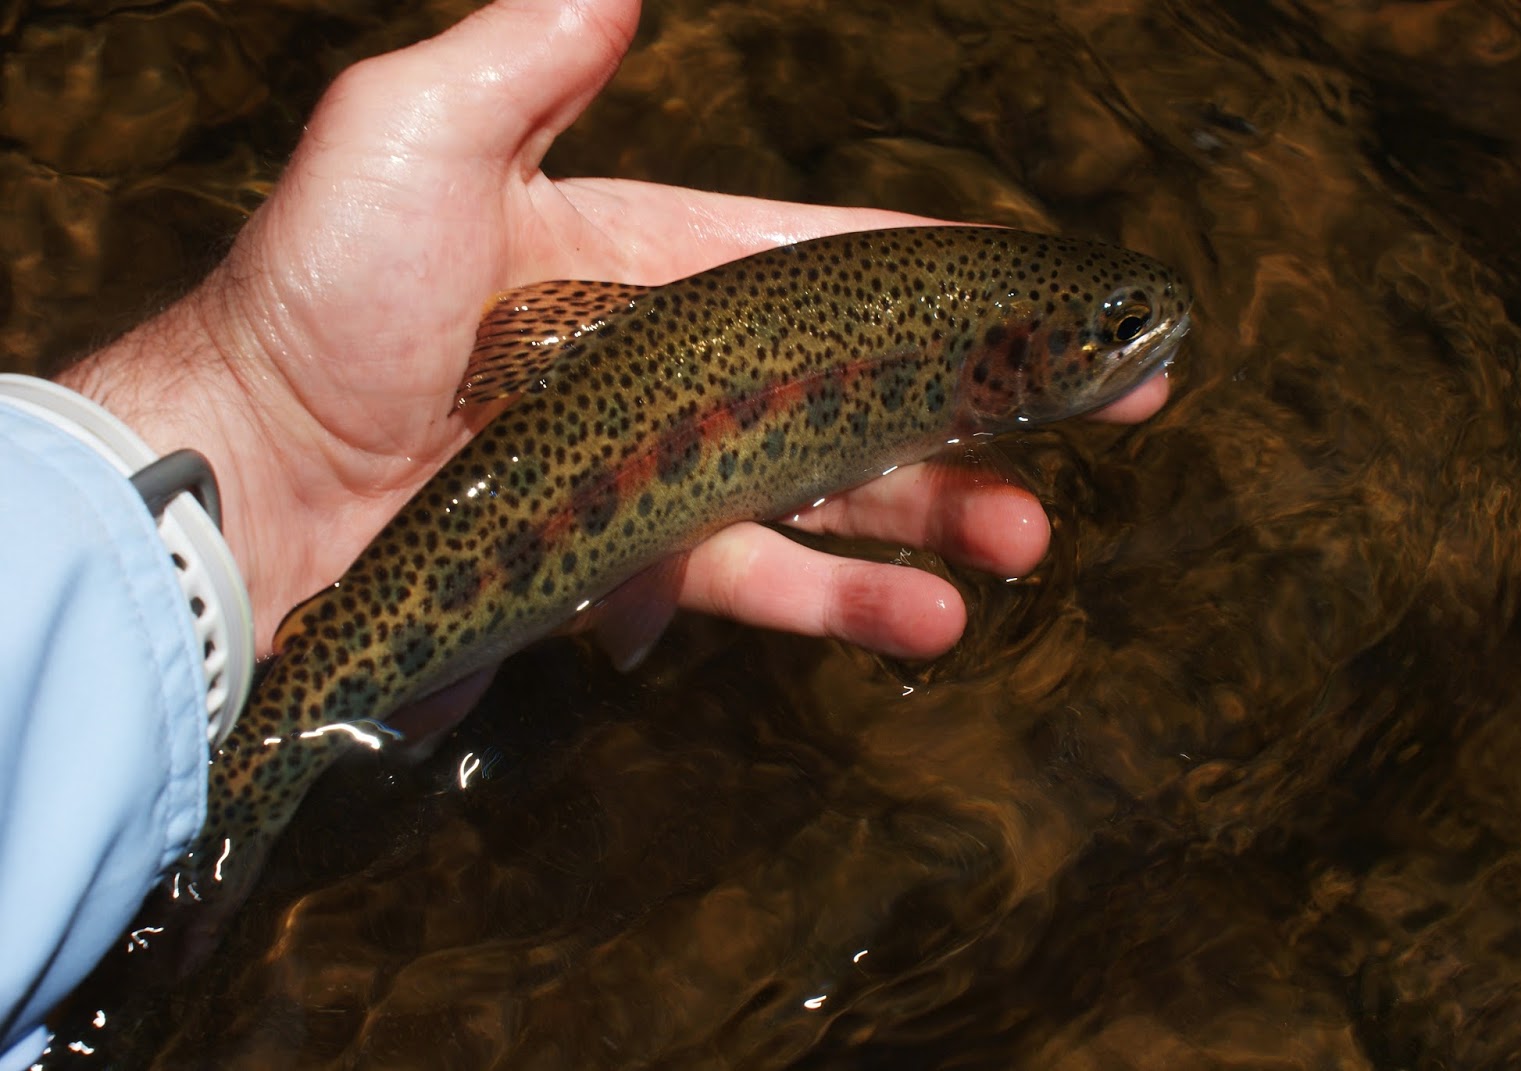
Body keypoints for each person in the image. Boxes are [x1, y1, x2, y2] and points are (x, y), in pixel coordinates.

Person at [0, 0, 1170, 1065]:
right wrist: (259, 401)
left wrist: (238, 410)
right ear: (1006, 359)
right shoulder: (959, 352)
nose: (1147, 332)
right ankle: (222, 830)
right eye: (1113, 329)